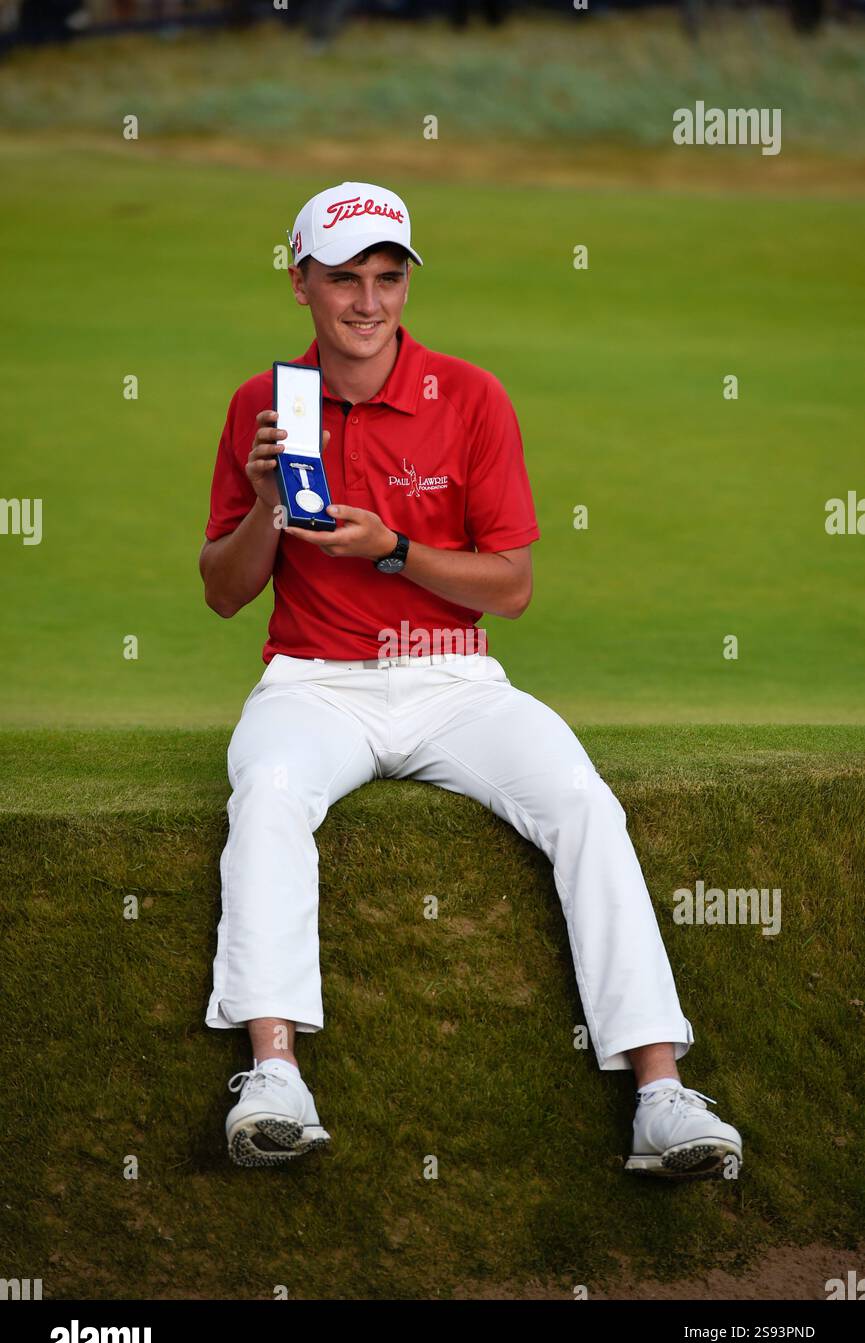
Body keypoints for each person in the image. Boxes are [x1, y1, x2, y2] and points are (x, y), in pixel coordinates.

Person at [199, 180, 743, 1179]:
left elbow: (513, 584)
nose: (368, 302)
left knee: (582, 802)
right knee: (267, 793)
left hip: (456, 679)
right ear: (300, 282)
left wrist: (394, 549)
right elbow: (224, 592)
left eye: (387, 277)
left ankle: (661, 1095)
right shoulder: (264, 405)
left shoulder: (473, 395)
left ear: (406, 281)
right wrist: (265, 502)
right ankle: (273, 1074)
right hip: (313, 682)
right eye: (344, 279)